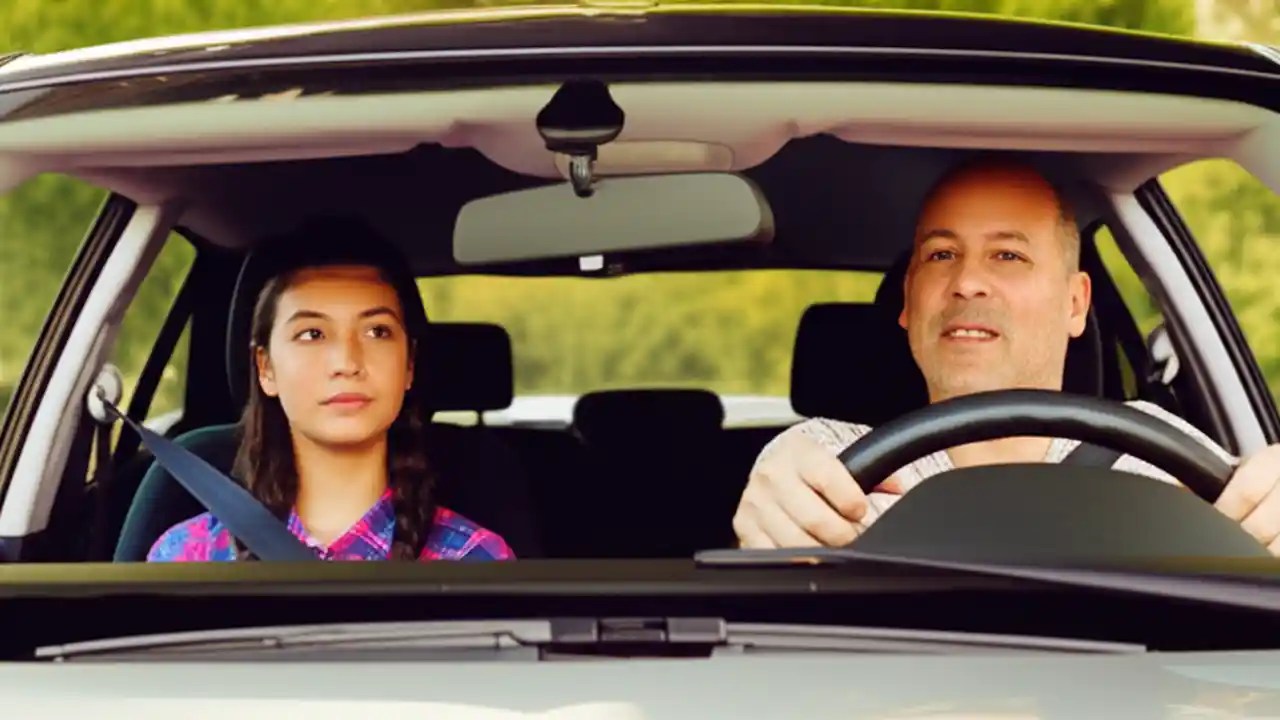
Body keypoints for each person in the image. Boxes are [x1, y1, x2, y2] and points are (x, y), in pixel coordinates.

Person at [733, 156, 1280, 556]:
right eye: (942, 254)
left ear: (1075, 303)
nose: (968, 281)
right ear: (907, 301)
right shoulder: (828, 462)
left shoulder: (1165, 459)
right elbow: (783, 500)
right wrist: (771, 513)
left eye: (1008, 255)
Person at [148, 218, 514, 562]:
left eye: (377, 332)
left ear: (409, 365)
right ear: (266, 368)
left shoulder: (473, 559)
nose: (346, 362)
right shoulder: (190, 557)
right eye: (312, 334)